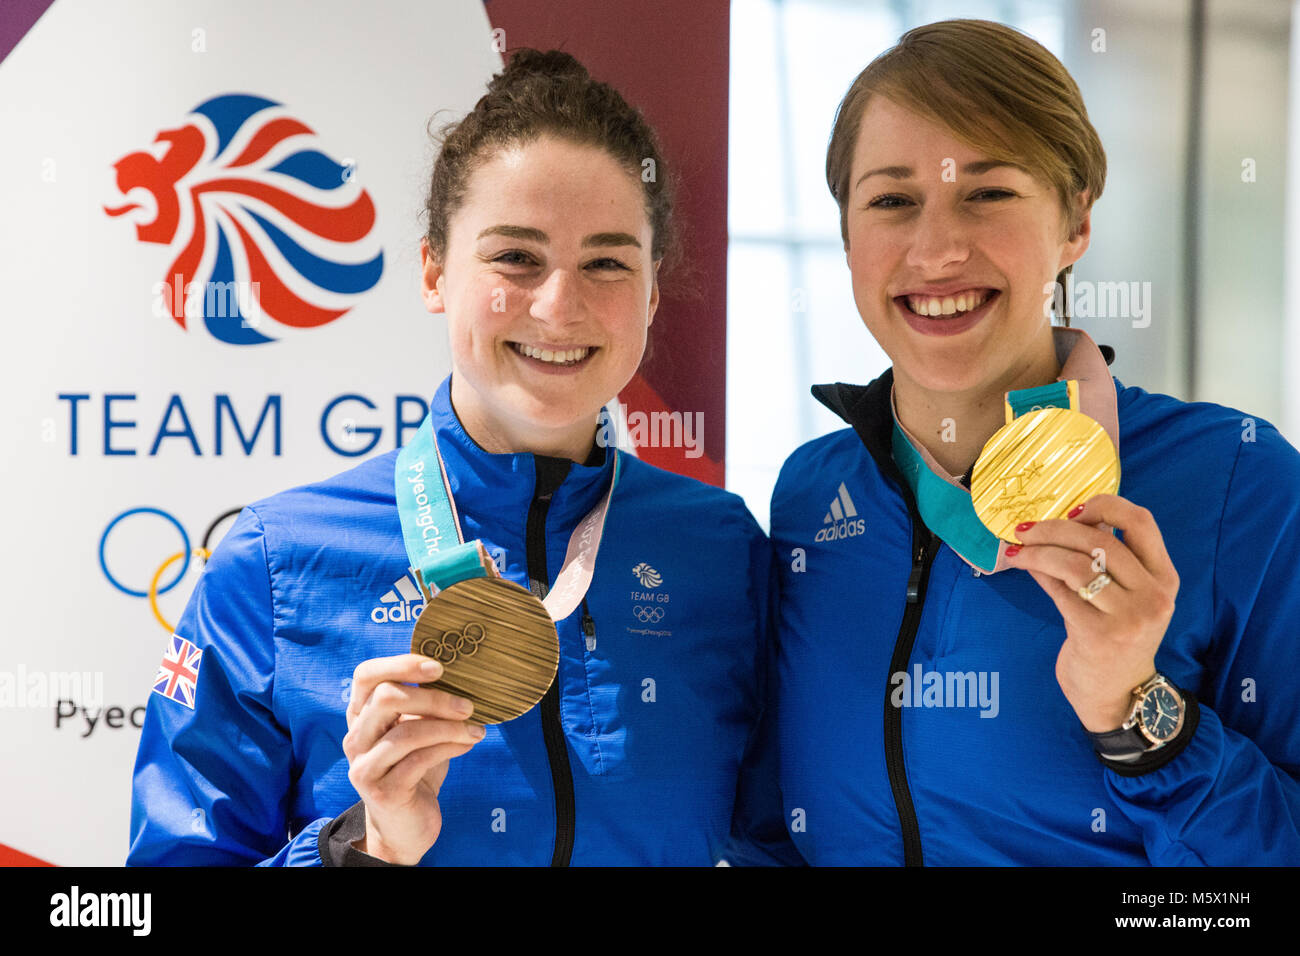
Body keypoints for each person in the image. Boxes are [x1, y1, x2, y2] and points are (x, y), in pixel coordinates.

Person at [127, 48, 796, 866]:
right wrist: (361, 847)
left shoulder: (724, 552)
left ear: (652, 292)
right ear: (434, 271)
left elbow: (785, 842)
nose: (559, 305)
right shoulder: (274, 565)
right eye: (515, 257)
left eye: (607, 262)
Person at [769, 19, 1300, 864]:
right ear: (846, 236)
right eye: (891, 200)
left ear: (1076, 222)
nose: (936, 249)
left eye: (988, 193)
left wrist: (1139, 715)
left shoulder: (1241, 482)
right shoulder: (811, 497)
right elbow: (779, 829)